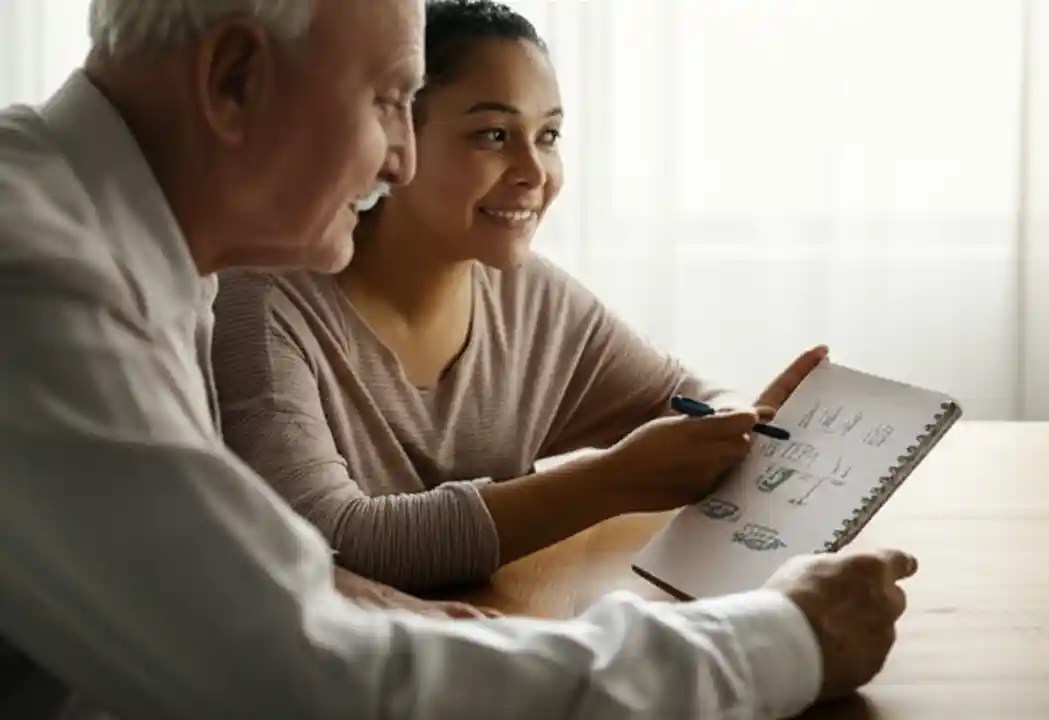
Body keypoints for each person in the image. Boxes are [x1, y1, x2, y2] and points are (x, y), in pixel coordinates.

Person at [0, 1, 917, 719]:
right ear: (233, 78)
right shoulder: (39, 289)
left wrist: (346, 593)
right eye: (387, 99)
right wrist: (779, 642)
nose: (399, 161)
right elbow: (312, 684)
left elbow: (213, 588)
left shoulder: (115, 250)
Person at [211, 0, 831, 593]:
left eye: (550, 135)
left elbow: (685, 399)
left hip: (485, 642)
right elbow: (333, 542)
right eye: (492, 134)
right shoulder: (262, 304)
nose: (535, 172)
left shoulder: (531, 296)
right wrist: (609, 481)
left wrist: (738, 424)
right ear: (396, 139)